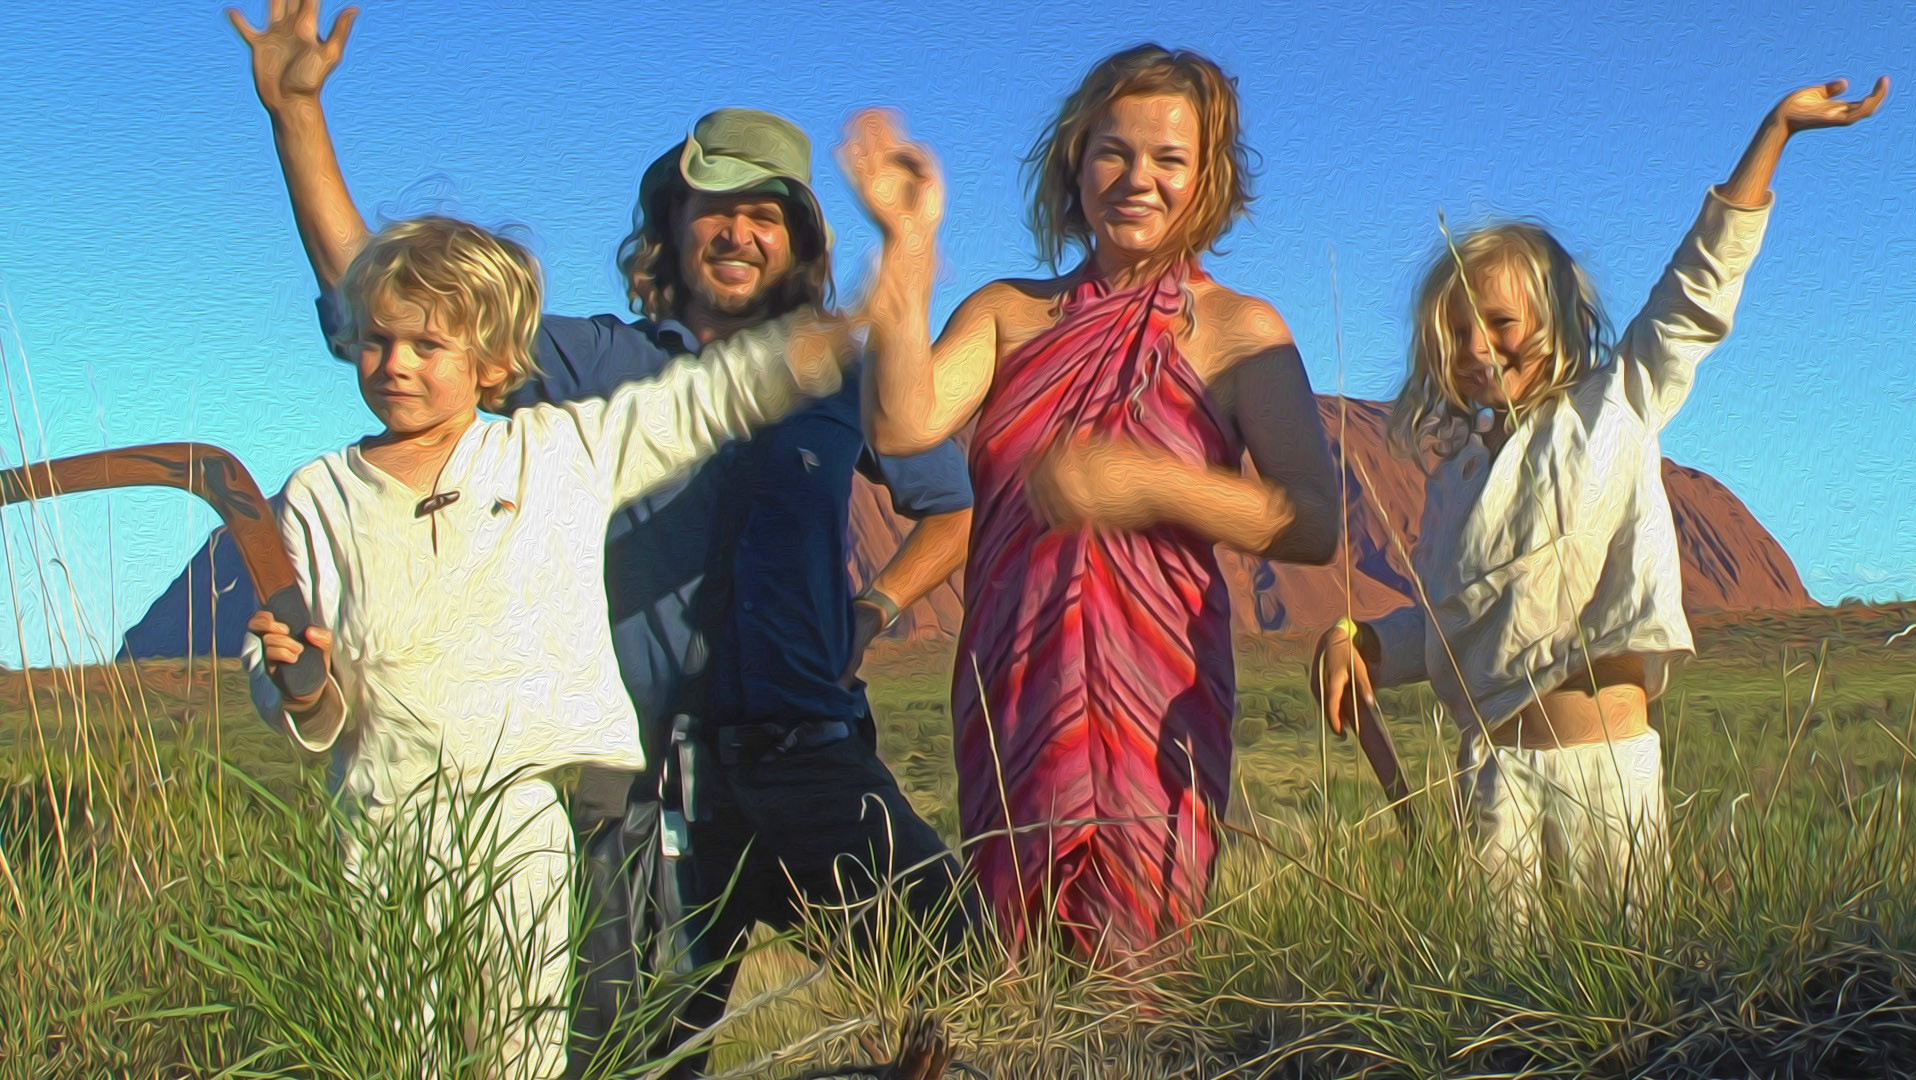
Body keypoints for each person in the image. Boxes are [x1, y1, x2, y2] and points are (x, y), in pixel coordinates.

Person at [228, 2, 976, 1072]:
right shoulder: (595, 367)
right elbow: (402, 303)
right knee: (635, 1055)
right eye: (713, 208)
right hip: (647, 786)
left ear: (799, 238)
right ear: (672, 223)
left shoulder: (842, 371)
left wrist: (876, 606)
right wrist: (297, 115)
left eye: (766, 213)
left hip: (808, 747)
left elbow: (948, 504)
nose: (738, 231)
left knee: (961, 971)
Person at [241, 216, 853, 1080]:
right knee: (396, 1051)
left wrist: (818, 341)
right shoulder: (317, 496)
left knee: (518, 1050)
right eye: (376, 340)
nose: (396, 363)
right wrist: (297, 687)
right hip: (379, 823)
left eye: (427, 343)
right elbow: (295, 674)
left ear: (492, 359)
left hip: (521, 818)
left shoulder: (556, 454)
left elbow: (693, 405)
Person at [1310, 77, 1890, 936]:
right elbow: (1454, 625)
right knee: (1500, 989)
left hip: (1606, 772)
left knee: (1627, 983)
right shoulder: (1455, 477)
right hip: (1494, 780)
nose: (1476, 348)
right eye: (1455, 334)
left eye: (1499, 322)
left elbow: (1695, 297)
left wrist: (1774, 133)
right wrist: (1360, 641)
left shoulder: (1615, 404)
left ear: (1556, 317)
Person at [842, 44, 1342, 970]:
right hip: (1012, 684)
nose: (1137, 179)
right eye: (1113, 151)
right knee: (1016, 966)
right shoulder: (1007, 313)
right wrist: (908, 245)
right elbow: (903, 421)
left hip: (1158, 695)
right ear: (1075, 164)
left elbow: (1314, 522)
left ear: (1208, 179)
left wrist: (1149, 485)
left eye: (1169, 159)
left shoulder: (1241, 333)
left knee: (1136, 969)